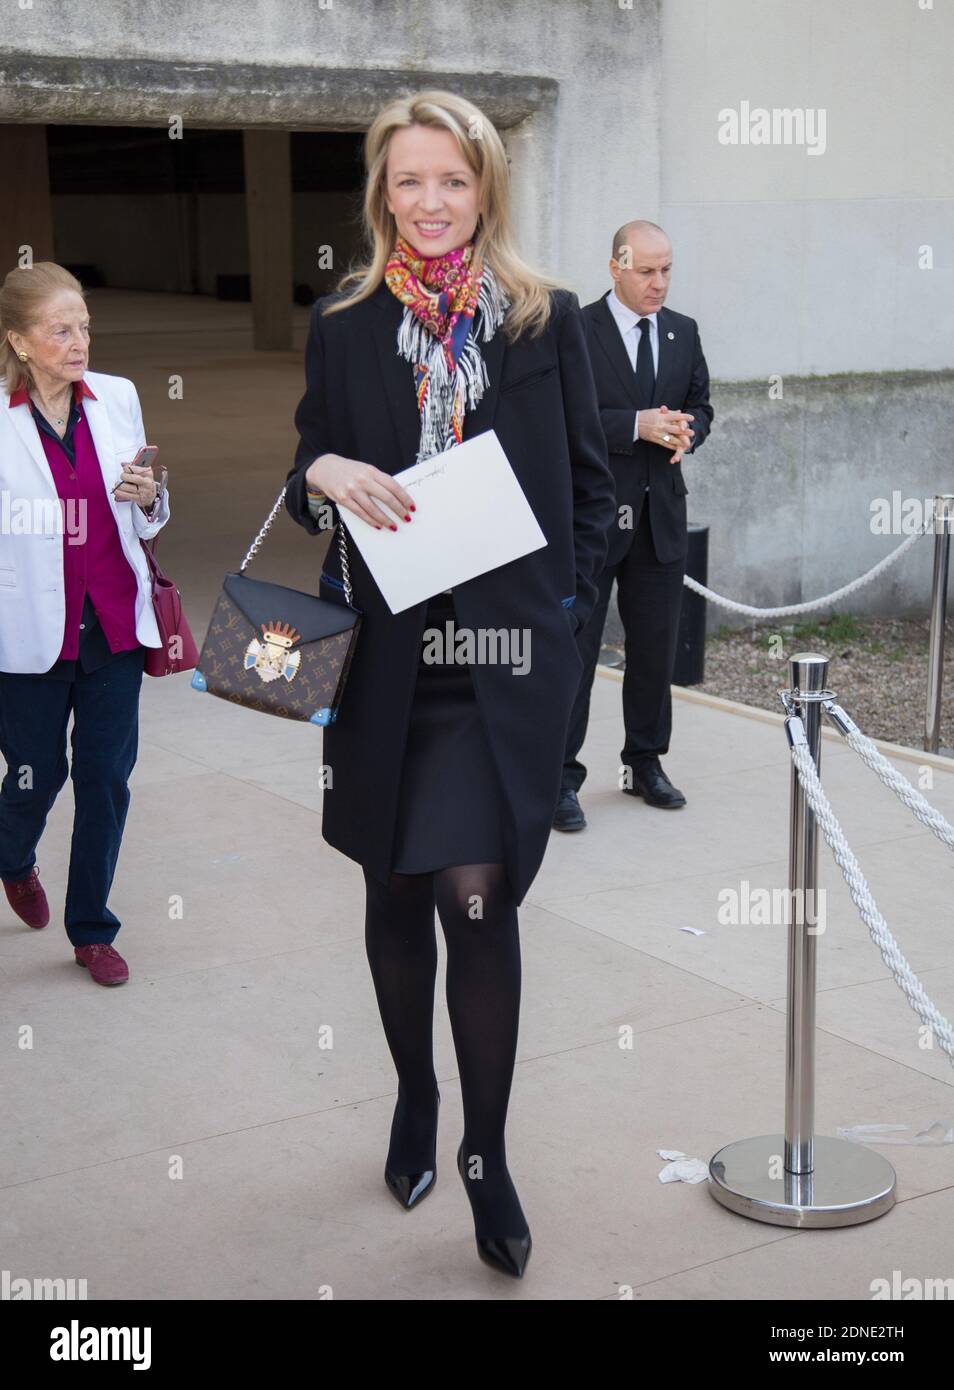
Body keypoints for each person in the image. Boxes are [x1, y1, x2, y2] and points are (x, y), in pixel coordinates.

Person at [285, 90, 615, 1278]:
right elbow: (305, 462)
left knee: (477, 895)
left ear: (487, 190)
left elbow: (589, 490)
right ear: (383, 194)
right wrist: (320, 464)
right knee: (393, 894)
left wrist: (565, 640)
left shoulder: (547, 320)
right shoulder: (346, 321)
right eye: (409, 181)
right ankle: (413, 1096)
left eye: (454, 180)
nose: (431, 202)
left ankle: (487, 1152)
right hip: (387, 666)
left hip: (499, 671)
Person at [0, 262, 170, 984]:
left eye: (85, 327)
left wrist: (147, 496)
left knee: (106, 779)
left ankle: (93, 930)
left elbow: (152, 513)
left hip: (113, 628)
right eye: (60, 330)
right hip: (27, 633)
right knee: (37, 777)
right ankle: (12, 855)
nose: (78, 342)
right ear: (20, 340)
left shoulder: (118, 399)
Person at [554, 220, 713, 830]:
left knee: (654, 654)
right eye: (646, 270)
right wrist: (635, 425)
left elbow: (701, 404)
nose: (659, 282)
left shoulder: (683, 331)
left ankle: (645, 763)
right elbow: (564, 418)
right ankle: (560, 779)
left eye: (667, 269)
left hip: (660, 519)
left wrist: (686, 430)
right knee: (577, 651)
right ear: (616, 266)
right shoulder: (577, 329)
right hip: (592, 520)